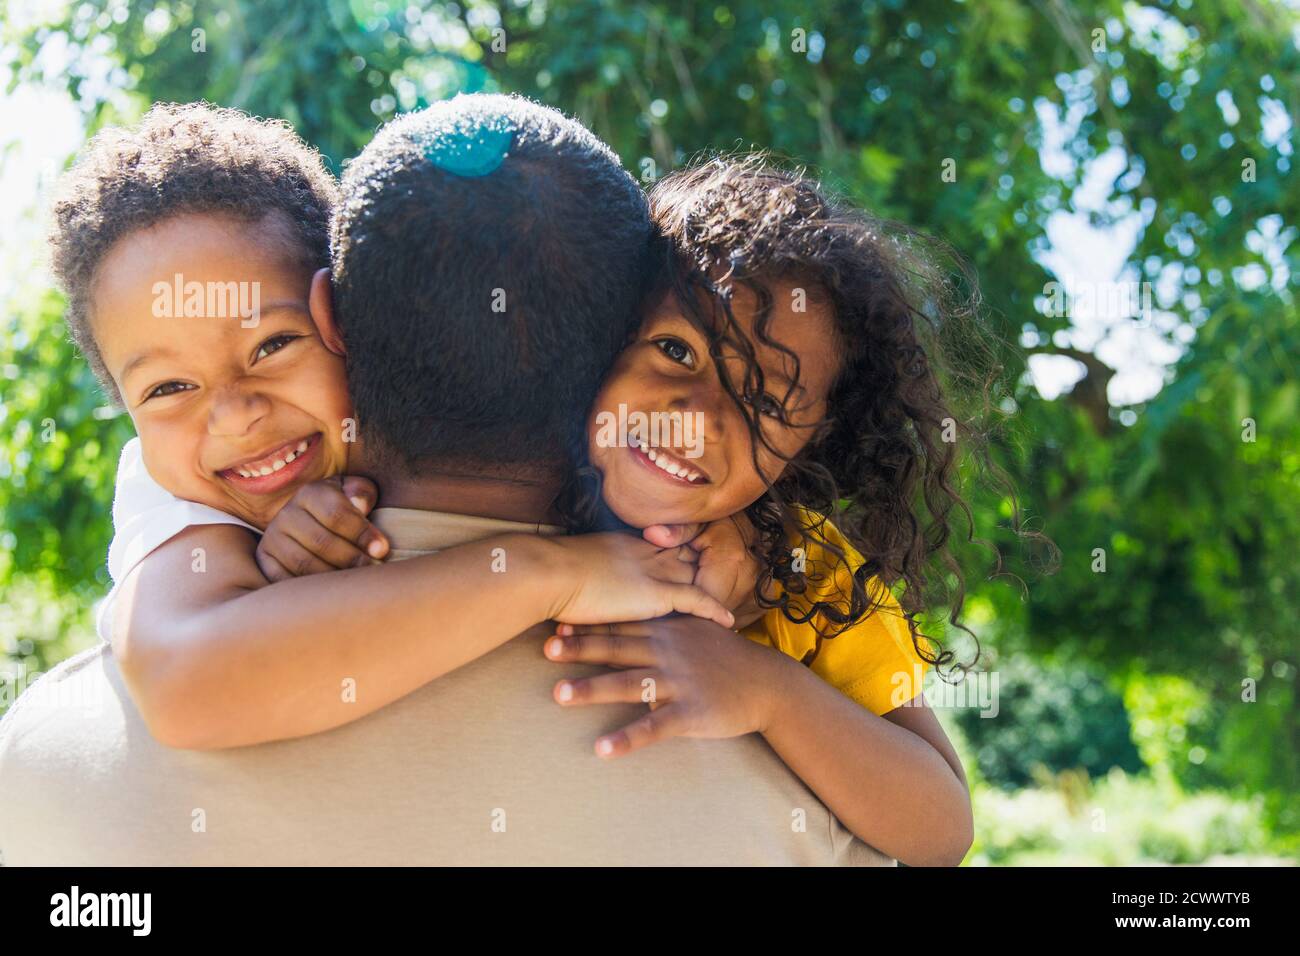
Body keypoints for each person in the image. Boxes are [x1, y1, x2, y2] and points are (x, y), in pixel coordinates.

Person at [0, 94, 895, 865]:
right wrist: (555, 572)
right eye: (165, 389)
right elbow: (196, 679)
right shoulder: (799, 806)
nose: (235, 415)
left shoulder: (36, 775)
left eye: (273, 348)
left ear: (331, 317)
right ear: (611, 330)